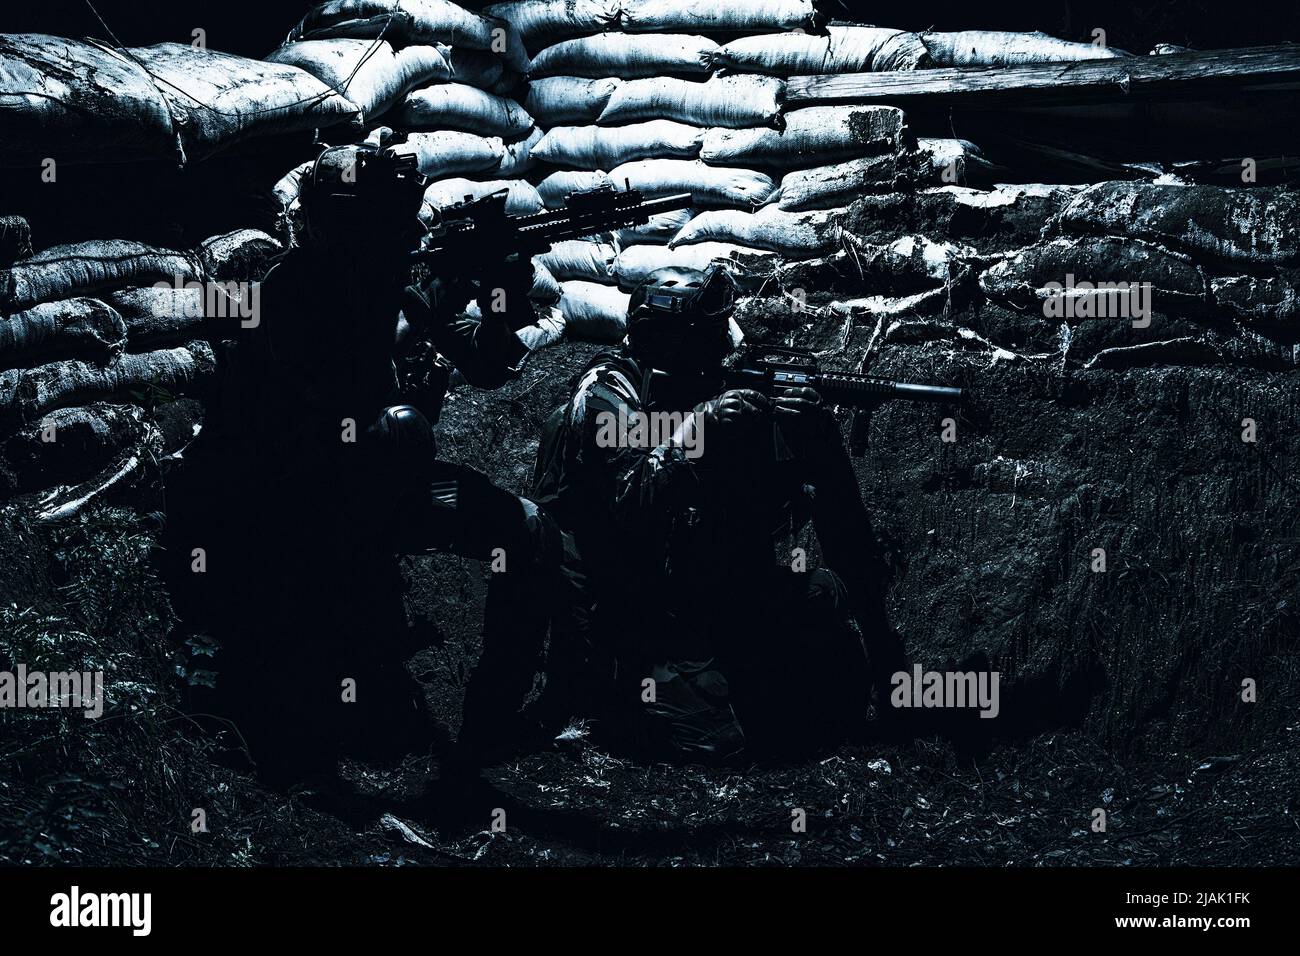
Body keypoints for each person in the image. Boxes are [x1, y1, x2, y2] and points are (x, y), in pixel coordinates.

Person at [162, 141, 564, 788]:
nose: (406, 233)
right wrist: (423, 303)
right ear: (340, 226)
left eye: (404, 220)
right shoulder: (292, 292)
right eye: (387, 222)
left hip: (363, 493)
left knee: (527, 530)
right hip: (281, 511)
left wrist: (500, 292)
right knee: (351, 721)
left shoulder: (391, 280)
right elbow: (354, 428)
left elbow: (488, 365)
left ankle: (489, 729)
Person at [531, 264, 907, 761]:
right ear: (663, 338)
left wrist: (814, 444)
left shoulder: (707, 389)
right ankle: (609, 701)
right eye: (705, 335)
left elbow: (808, 514)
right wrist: (699, 430)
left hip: (703, 591)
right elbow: (631, 501)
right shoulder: (608, 393)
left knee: (823, 610)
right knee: (721, 741)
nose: (721, 348)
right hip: (626, 607)